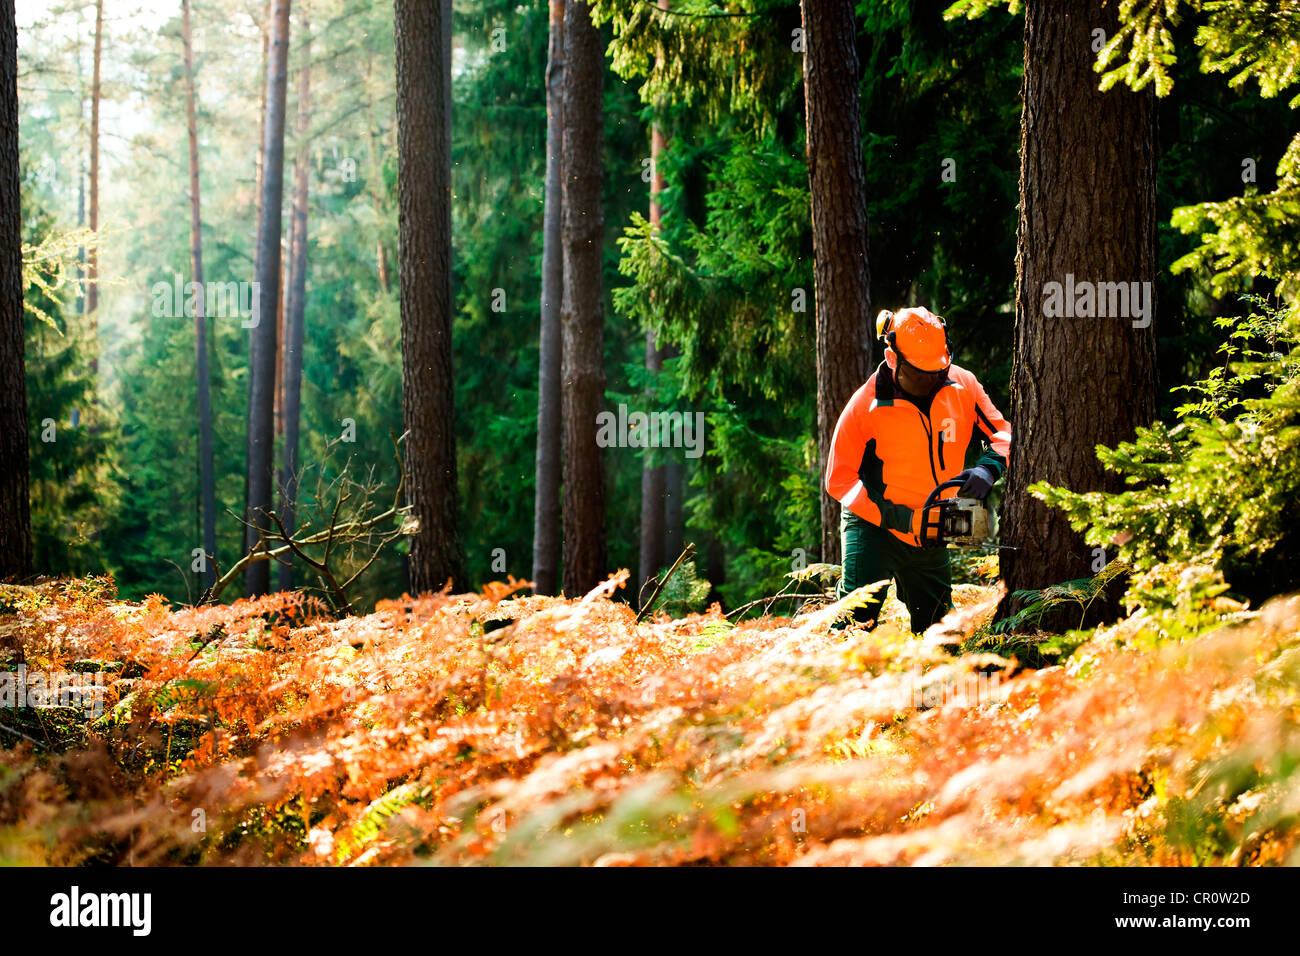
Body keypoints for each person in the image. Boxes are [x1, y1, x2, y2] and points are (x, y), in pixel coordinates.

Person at [823, 306, 1012, 632]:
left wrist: (988, 469)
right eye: (920, 373)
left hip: (936, 523)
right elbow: (838, 480)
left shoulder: (964, 385)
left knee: (941, 631)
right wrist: (902, 518)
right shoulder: (866, 405)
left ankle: (937, 682)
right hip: (874, 524)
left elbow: (1004, 434)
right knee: (853, 622)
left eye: (937, 371)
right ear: (893, 358)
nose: (931, 380)